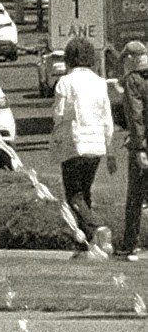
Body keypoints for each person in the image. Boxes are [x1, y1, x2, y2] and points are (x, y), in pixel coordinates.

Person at [51, 33, 115, 249]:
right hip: (96, 145)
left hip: (74, 143)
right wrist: (110, 149)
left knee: (74, 196)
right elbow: (107, 117)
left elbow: (59, 115)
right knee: (85, 193)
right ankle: (88, 243)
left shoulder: (65, 82)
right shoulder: (99, 82)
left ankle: (97, 228)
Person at [121, 40, 148, 257]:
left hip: (143, 146)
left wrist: (139, 147)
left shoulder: (133, 80)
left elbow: (135, 116)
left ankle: (131, 243)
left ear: (131, 59)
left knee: (136, 195)